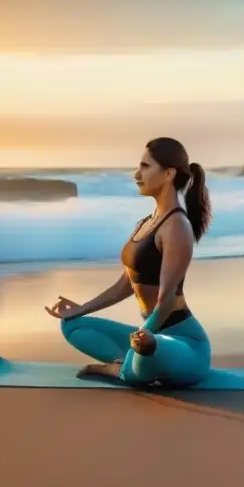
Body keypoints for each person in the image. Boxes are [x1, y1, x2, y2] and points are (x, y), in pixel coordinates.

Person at [44, 137, 212, 388]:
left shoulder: (176, 226)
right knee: (72, 326)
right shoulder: (145, 223)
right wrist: (82, 309)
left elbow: (165, 301)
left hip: (184, 346)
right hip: (149, 335)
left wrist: (144, 336)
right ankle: (129, 361)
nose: (136, 174)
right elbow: (126, 285)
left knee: (149, 349)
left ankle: (123, 368)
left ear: (168, 174)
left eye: (145, 167)